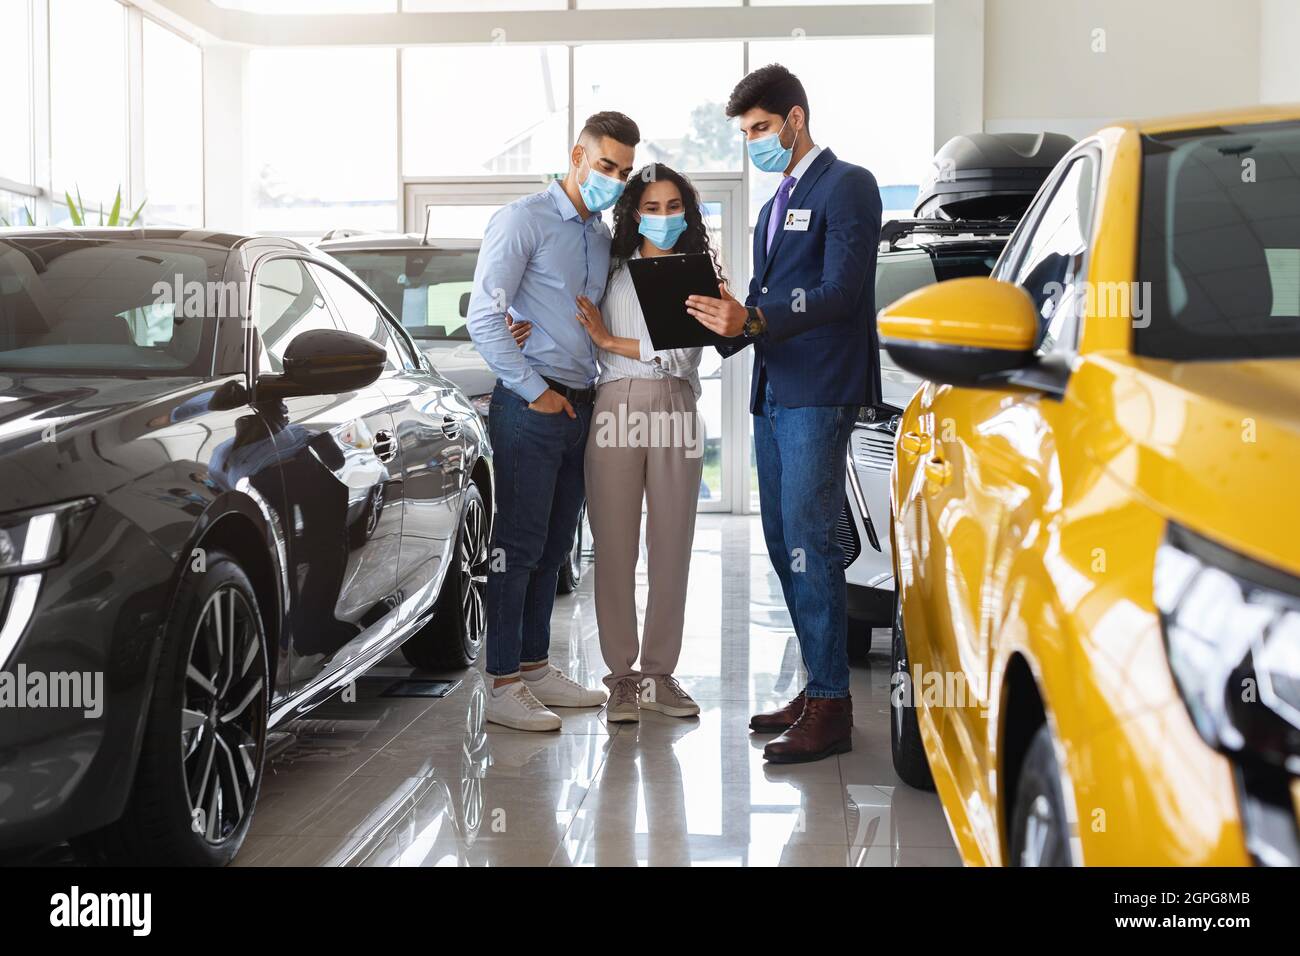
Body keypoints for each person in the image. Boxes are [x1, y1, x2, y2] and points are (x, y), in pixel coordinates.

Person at [685, 64, 883, 763]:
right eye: (746, 134)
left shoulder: (848, 185)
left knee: (811, 539)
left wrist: (759, 315)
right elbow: (762, 312)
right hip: (773, 391)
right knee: (780, 541)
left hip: (820, 390)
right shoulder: (774, 206)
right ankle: (817, 682)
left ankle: (832, 705)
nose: (755, 143)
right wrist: (723, 321)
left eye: (762, 129)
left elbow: (841, 290)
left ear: (795, 119)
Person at [466, 111, 640, 732]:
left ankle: (536, 667)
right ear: (577, 155)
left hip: (582, 405)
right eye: (605, 166)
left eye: (622, 171)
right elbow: (484, 318)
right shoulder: (523, 220)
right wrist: (535, 391)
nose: (613, 180)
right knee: (516, 546)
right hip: (532, 407)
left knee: (554, 545)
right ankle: (502, 682)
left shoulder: (599, 235)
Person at [572, 163, 720, 724]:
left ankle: (660, 674)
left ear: (688, 212)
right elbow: (570, 319)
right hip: (615, 403)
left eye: (674, 206)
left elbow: (682, 357)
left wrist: (611, 339)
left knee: (671, 544)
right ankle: (622, 680)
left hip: (677, 404)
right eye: (652, 207)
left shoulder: (696, 274)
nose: (663, 217)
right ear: (635, 212)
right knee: (613, 543)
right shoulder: (610, 269)